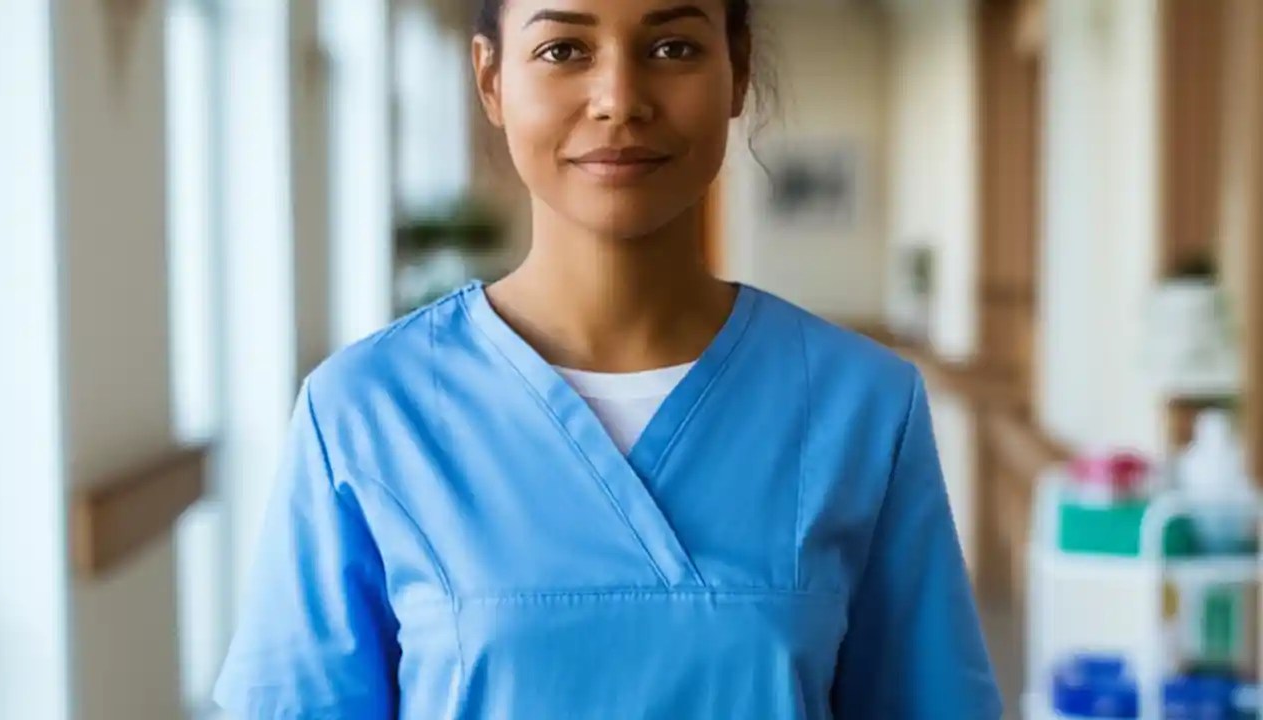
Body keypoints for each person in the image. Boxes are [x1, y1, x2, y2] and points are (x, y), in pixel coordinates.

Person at [213, 0, 1003, 717]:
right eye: (563, 50)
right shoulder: (366, 410)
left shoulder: (861, 405)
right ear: (491, 79)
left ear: (737, 72)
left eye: (672, 48)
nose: (620, 99)